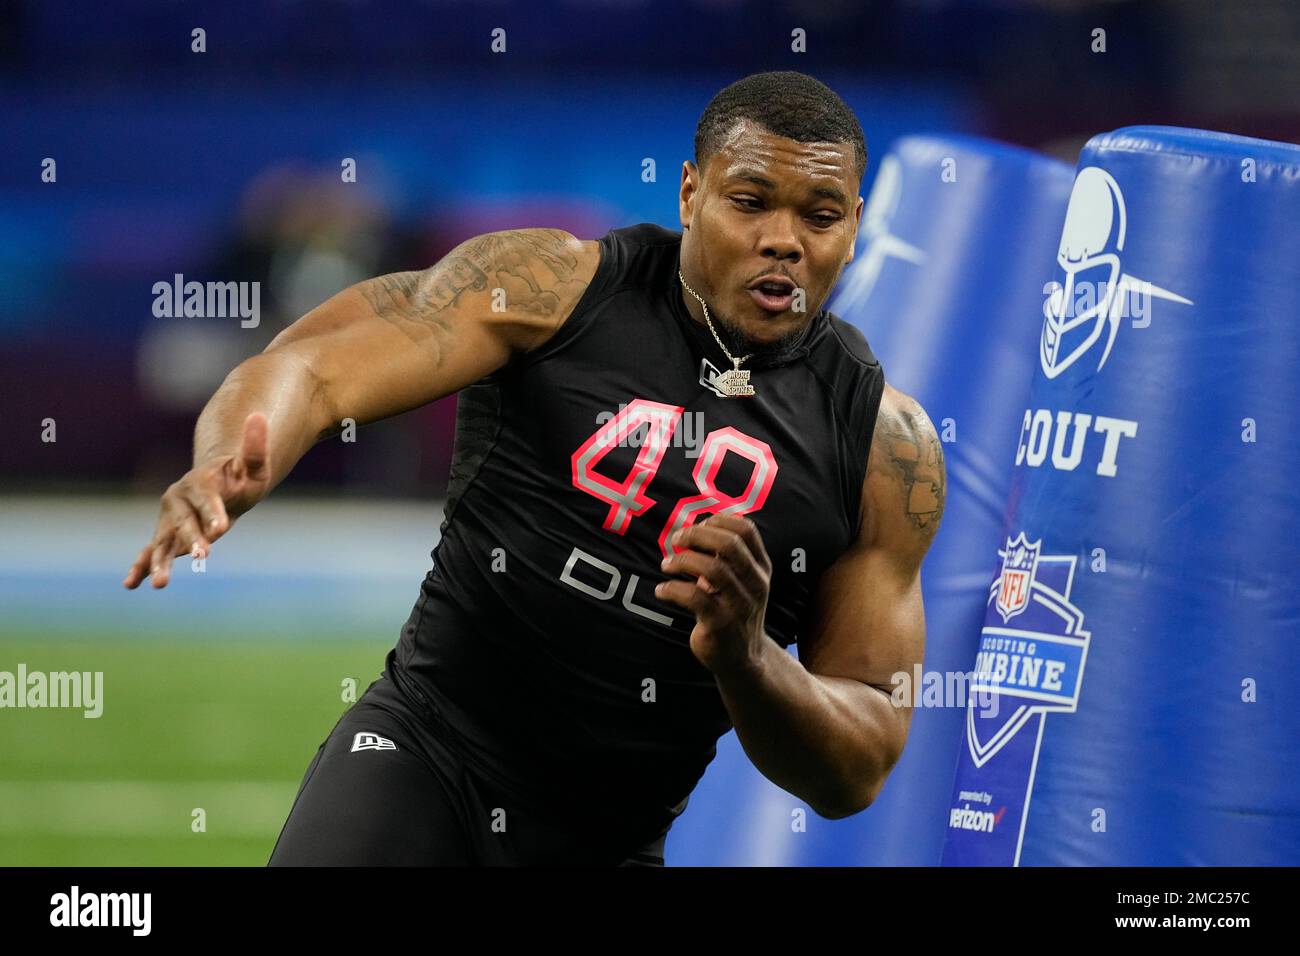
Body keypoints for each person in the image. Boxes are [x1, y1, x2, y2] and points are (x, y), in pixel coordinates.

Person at [123, 70, 946, 866]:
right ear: (689, 192)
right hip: (424, 756)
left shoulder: (883, 447)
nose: (783, 241)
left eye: (821, 216)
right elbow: (312, 366)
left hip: (609, 839)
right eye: (751, 201)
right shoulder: (551, 289)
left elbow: (859, 765)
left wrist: (747, 657)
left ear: (856, 226)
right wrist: (228, 459)